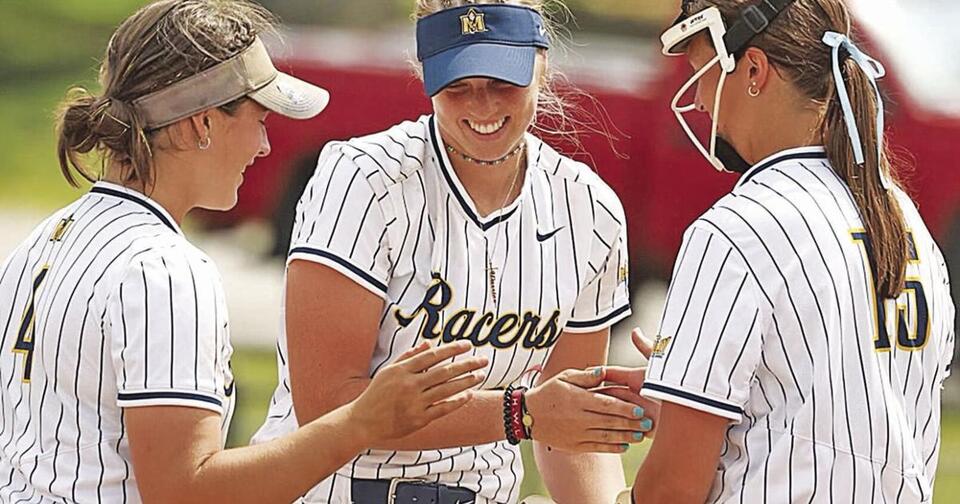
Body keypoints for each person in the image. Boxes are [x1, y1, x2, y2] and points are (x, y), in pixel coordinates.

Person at [0, 1, 489, 502]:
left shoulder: (46, 239)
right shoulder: (164, 271)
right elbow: (185, 491)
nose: (264, 146)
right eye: (259, 119)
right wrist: (361, 423)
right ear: (202, 124)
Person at [251, 1, 659, 503]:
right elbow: (329, 407)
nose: (482, 106)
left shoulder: (589, 207)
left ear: (541, 65)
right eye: (457, 85)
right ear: (424, 74)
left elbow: (568, 429)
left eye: (502, 81)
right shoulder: (362, 178)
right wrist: (520, 413)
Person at [614, 0, 955, 502]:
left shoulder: (736, 227)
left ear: (753, 69)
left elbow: (672, 490)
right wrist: (696, 396)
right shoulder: (905, 218)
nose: (699, 99)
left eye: (703, 72)